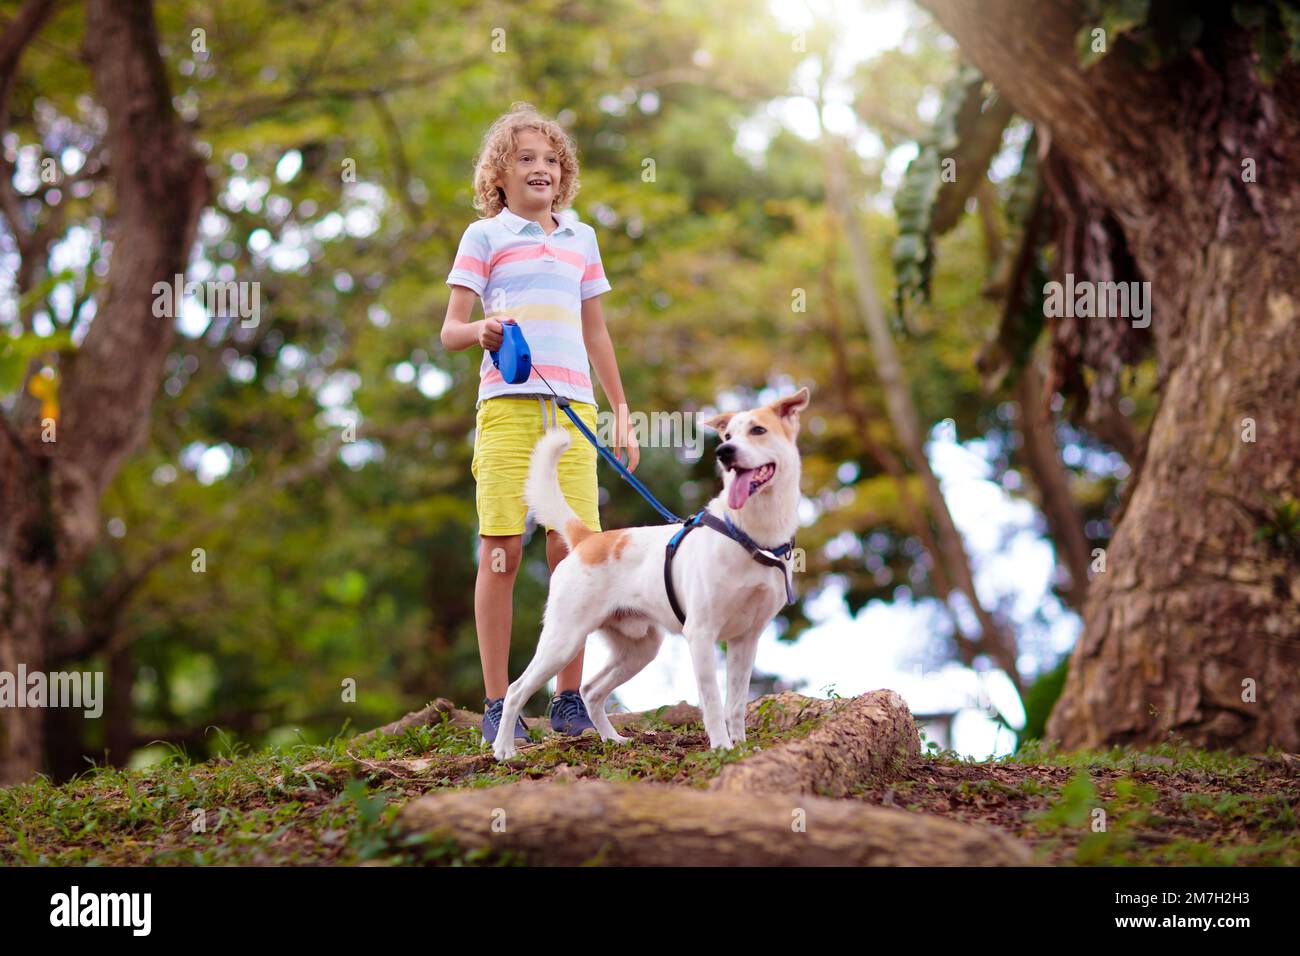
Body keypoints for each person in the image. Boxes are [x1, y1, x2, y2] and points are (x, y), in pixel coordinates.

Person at [440, 102, 640, 745]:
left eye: (551, 159)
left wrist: (622, 410)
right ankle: (499, 705)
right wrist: (481, 330)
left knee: (577, 551)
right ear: (498, 174)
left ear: (565, 172)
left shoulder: (580, 238)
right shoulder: (485, 237)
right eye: (525, 158)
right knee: (501, 549)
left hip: (574, 412)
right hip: (505, 409)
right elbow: (449, 331)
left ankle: (569, 698)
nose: (541, 169)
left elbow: (596, 330)